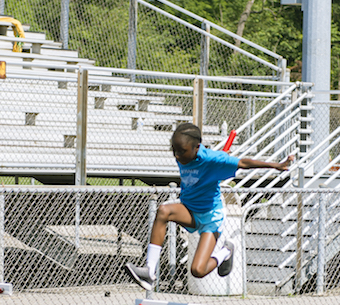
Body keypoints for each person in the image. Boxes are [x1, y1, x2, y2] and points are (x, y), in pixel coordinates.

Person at [126, 123, 293, 290]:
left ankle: (226, 252)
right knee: (163, 211)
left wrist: (275, 166)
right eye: (174, 150)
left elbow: (243, 162)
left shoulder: (211, 159)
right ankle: (149, 271)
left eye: (182, 151)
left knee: (198, 270)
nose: (177, 155)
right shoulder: (183, 154)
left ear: (197, 147)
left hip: (211, 218)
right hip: (189, 211)